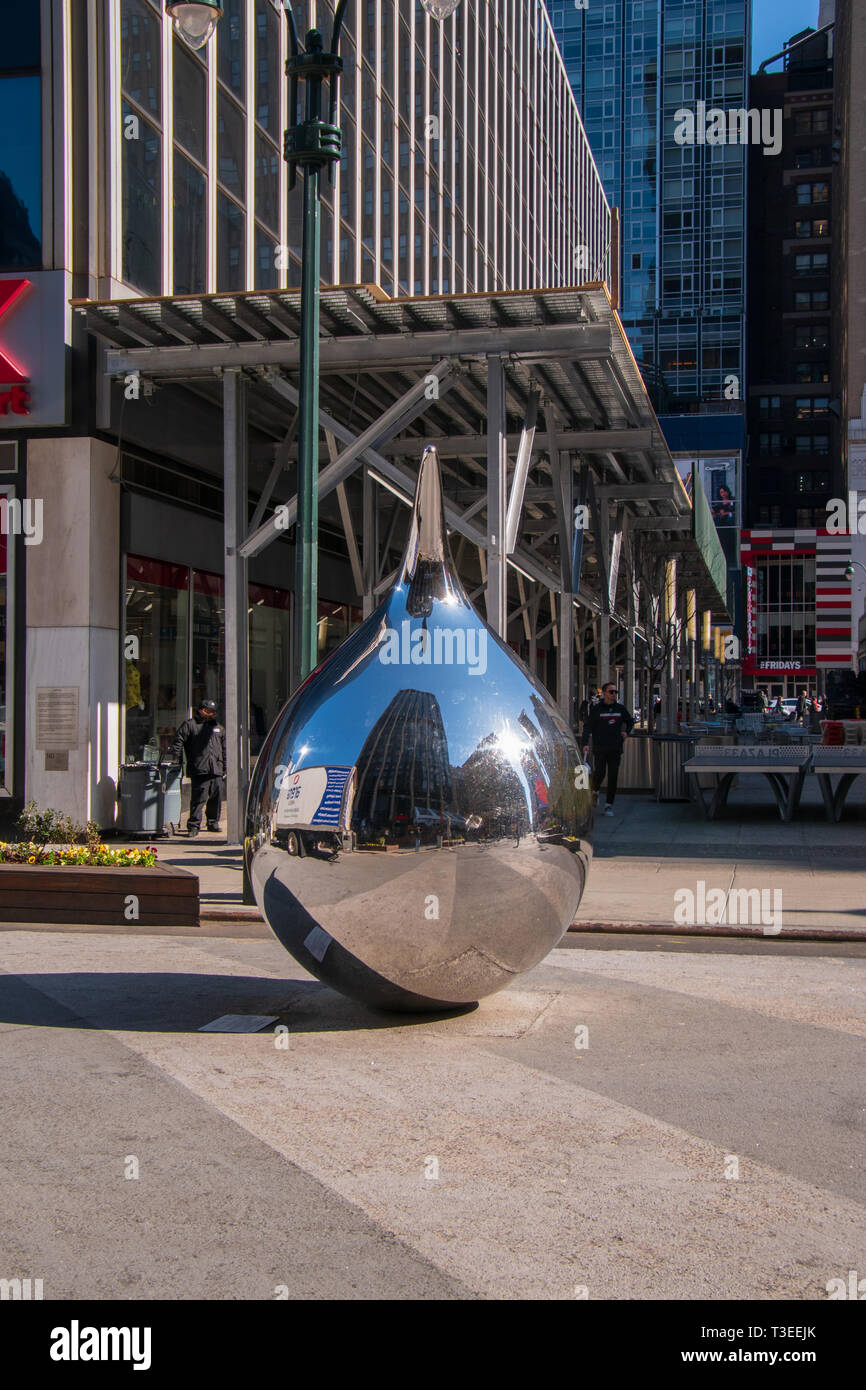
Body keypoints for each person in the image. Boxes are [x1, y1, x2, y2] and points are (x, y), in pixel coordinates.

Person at [169, 699, 226, 837]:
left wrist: (225, 766)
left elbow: (225, 747)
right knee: (198, 799)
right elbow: (178, 741)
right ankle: (194, 826)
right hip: (200, 768)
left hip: (216, 768)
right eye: (209, 711)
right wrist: (177, 758)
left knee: (216, 797)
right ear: (201, 710)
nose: (212, 714)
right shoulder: (190, 725)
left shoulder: (218, 727)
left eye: (213, 711)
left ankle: (213, 822)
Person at [581, 680, 634, 817]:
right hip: (600, 747)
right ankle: (595, 790)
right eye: (611, 692)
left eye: (615, 692)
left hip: (615, 748)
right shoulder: (597, 710)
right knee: (600, 772)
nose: (614, 694)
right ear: (604, 693)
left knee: (613, 776)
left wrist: (626, 732)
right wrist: (585, 743)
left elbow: (630, 721)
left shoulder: (620, 709)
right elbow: (588, 727)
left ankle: (609, 805)